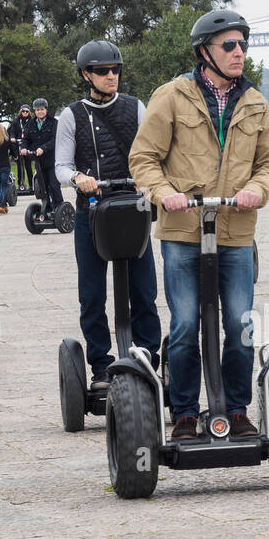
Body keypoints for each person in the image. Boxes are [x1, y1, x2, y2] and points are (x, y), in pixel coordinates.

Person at [128, 8, 269, 442]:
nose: (239, 53)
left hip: (235, 228)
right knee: (183, 323)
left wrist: (258, 187)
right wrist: (164, 194)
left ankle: (235, 410)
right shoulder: (172, 96)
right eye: (229, 45)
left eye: (243, 45)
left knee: (239, 323)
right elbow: (143, 158)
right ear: (205, 51)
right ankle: (182, 413)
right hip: (182, 229)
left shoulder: (255, 102)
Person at [55, 39, 162, 389]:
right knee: (92, 293)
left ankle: (148, 357)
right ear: (86, 74)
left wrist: (150, 181)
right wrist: (77, 178)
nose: (111, 76)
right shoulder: (72, 115)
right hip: (92, 212)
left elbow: (153, 151)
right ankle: (101, 365)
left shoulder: (135, 107)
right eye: (102, 71)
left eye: (115, 70)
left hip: (133, 208)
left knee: (144, 291)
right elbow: (60, 165)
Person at [23, 98, 61, 215]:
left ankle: (59, 209)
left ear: (46, 110)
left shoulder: (54, 123)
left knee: (54, 186)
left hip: (52, 161)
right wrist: (23, 148)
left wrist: (43, 148)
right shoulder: (30, 124)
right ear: (34, 111)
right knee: (43, 188)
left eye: (42, 109)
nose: (40, 112)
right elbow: (26, 139)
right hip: (39, 162)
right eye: (37, 110)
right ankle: (47, 210)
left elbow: (55, 140)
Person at [9, 104, 34, 192]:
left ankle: (31, 185)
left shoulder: (31, 121)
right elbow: (12, 131)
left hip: (27, 146)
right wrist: (12, 137)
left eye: (27, 111)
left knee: (28, 166)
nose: (25, 113)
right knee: (20, 166)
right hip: (18, 145)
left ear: (29, 112)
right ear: (21, 112)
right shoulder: (16, 121)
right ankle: (21, 184)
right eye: (23, 111)